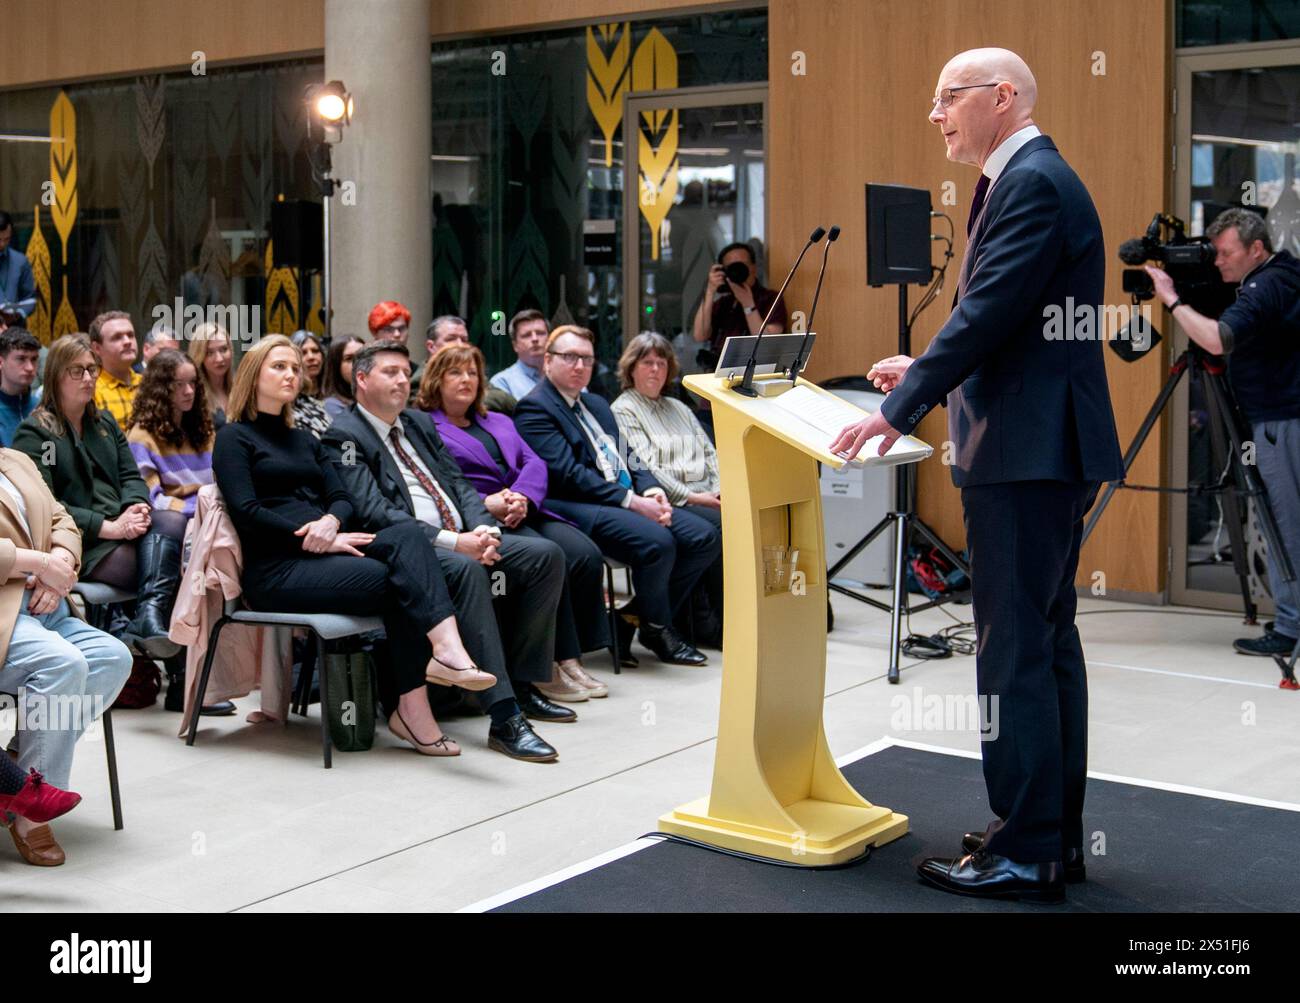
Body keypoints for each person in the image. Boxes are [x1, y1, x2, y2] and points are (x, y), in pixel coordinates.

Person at [832, 48, 1123, 903]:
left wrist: (900, 405)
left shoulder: (1031, 180)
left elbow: (990, 309)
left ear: (1003, 98)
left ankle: (1026, 851)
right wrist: (925, 363)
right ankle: (1047, 837)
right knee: (1043, 643)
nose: (935, 115)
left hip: (1027, 455)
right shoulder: (1028, 176)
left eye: (947, 98)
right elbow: (1006, 317)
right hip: (1038, 448)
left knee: (1013, 654)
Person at [214, 334, 515, 759]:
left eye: (296, 368)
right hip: (277, 567)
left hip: (330, 549)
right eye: (279, 366)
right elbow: (247, 512)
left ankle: (443, 658)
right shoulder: (234, 438)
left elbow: (343, 497)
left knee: (409, 536)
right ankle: (415, 703)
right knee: (400, 580)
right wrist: (314, 535)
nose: (291, 375)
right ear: (253, 374)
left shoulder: (304, 439)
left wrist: (332, 522)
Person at [323, 343, 570, 758]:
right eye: (390, 372)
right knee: (466, 570)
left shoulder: (417, 423)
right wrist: (457, 543)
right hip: (407, 548)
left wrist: (485, 530)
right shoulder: (344, 436)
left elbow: (458, 484)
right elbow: (373, 513)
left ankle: (522, 685)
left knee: (546, 556)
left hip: (462, 534)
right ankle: (506, 718)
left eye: (406, 371)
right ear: (362, 380)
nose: (403, 380)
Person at [514, 326, 720, 666]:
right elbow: (569, 475)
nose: (579, 366)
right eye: (569, 357)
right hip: (578, 506)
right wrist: (632, 501)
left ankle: (633, 619)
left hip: (623, 496)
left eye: (586, 359)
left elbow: (630, 455)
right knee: (658, 542)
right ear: (547, 362)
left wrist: (650, 489)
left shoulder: (594, 402)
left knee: (703, 537)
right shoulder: (534, 408)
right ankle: (658, 626)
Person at [1145, 207, 1300, 658]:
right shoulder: (1286, 275)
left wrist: (1172, 299)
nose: (1217, 263)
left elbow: (1216, 341)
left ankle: (1289, 630)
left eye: (1226, 253)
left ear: (1256, 248)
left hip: (1281, 423)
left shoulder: (1265, 285)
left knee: (1284, 527)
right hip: (1283, 418)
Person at [422, 342, 612, 701]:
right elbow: (439, 484)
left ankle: (569, 658)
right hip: (476, 520)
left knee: (581, 551)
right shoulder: (426, 427)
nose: (467, 379)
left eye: (473, 372)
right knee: (551, 553)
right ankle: (547, 669)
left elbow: (534, 462)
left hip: (521, 509)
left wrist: (522, 497)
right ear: (436, 379)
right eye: (455, 372)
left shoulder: (499, 419)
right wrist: (486, 504)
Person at [0, 444, 132, 865]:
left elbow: (62, 518)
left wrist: (61, 559)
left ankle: (18, 763)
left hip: (47, 602)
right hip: (4, 611)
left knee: (114, 657)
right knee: (63, 664)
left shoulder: (15, 459)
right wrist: (39, 563)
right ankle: (31, 816)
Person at [13, 335, 184, 657]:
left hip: (125, 526)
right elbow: (45, 505)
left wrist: (136, 507)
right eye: (77, 371)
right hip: (82, 540)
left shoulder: (103, 422)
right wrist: (110, 528)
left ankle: (147, 621)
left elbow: (131, 476)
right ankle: (161, 647)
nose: (89, 378)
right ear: (56, 376)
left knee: (172, 522)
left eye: (92, 369)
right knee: (168, 566)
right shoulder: (39, 434)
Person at [611, 332, 723, 647]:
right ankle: (695, 623)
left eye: (662, 363)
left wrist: (719, 490)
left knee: (736, 522)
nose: (655, 370)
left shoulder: (679, 407)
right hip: (667, 499)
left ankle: (709, 620)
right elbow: (646, 467)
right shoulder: (623, 410)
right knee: (719, 530)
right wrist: (694, 497)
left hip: (706, 496)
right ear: (632, 368)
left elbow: (710, 454)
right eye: (647, 362)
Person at [125, 349, 215, 663]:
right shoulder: (142, 436)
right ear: (162, 390)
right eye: (178, 385)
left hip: (208, 517)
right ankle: (179, 671)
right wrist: (196, 512)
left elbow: (220, 484)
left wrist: (205, 512)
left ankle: (188, 673)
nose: (189, 391)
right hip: (173, 521)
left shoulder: (203, 431)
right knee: (176, 535)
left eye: (193, 383)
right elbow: (152, 499)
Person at [691, 242, 787, 362]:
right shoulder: (724, 302)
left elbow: (767, 343)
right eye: (732, 268)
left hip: (753, 371)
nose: (737, 271)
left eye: (742, 266)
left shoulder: (771, 299)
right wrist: (710, 291)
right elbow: (699, 335)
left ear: (754, 268)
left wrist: (748, 305)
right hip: (718, 372)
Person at [88, 311, 141, 428]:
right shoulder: (91, 390)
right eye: (117, 337)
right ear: (97, 348)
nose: (127, 341)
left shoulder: (148, 384)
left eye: (131, 335)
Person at [489, 309, 548, 401]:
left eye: (540, 333)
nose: (535, 339)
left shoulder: (564, 375)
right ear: (515, 345)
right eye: (527, 335)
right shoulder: (502, 382)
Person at [0, 327, 42, 447]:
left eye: (34, 359)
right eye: (21, 359)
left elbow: (51, 459)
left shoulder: (44, 409)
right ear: (1, 362)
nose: (29, 367)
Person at [189, 321, 233, 428]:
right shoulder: (193, 394)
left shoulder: (240, 388)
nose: (219, 359)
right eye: (210, 353)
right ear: (199, 356)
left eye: (223, 349)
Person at [289, 331, 330, 438]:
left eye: (315, 351)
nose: (311, 357)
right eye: (303, 352)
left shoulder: (333, 392)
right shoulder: (292, 400)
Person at [0, 211, 36, 320]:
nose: (2, 244)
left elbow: (30, 299)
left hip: (14, 328)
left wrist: (18, 314)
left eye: (6, 239)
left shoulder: (20, 261)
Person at [322, 334, 364, 420]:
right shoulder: (332, 406)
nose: (358, 363)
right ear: (335, 366)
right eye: (349, 358)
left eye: (363, 356)